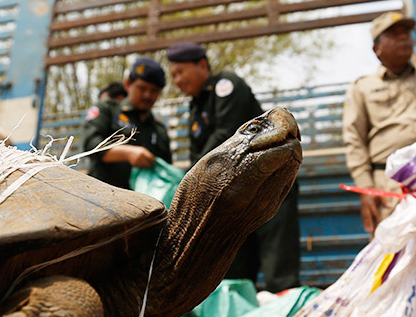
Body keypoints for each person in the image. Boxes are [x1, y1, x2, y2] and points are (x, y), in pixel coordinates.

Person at [166, 41, 301, 293]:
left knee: (278, 265)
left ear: (202, 65)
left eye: (180, 72)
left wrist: (196, 171)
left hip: (268, 181)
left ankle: (285, 316)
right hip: (235, 197)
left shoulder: (226, 85)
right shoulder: (196, 106)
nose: (177, 80)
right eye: (173, 75)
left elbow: (226, 136)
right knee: (235, 268)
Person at [342, 11, 416, 290]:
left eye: (406, 33)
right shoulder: (363, 88)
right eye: (394, 34)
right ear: (377, 48)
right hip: (389, 185)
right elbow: (354, 139)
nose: (403, 39)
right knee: (392, 255)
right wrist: (365, 188)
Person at [81, 57, 173, 191]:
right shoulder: (108, 110)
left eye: (154, 91)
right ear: (128, 84)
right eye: (142, 88)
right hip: (101, 197)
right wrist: (128, 153)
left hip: (143, 205)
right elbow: (91, 144)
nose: (147, 95)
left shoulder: (159, 130)